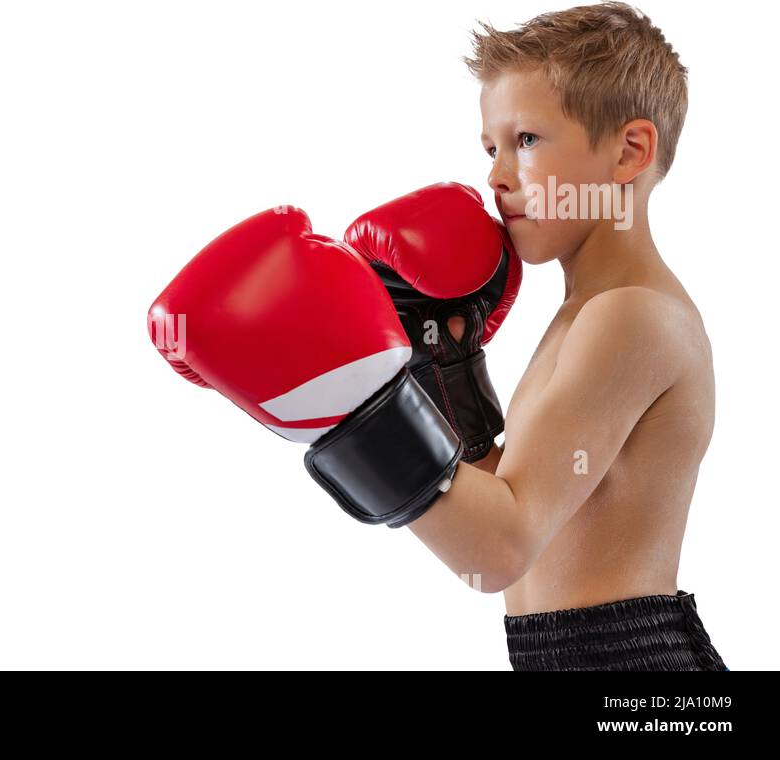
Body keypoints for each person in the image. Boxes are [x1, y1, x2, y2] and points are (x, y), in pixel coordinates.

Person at [149, 2, 727, 670]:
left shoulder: (632, 316)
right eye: (490, 147)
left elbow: (499, 552)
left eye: (528, 140)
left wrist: (362, 402)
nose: (497, 175)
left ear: (630, 151)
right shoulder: (587, 314)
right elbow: (504, 511)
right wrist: (440, 367)